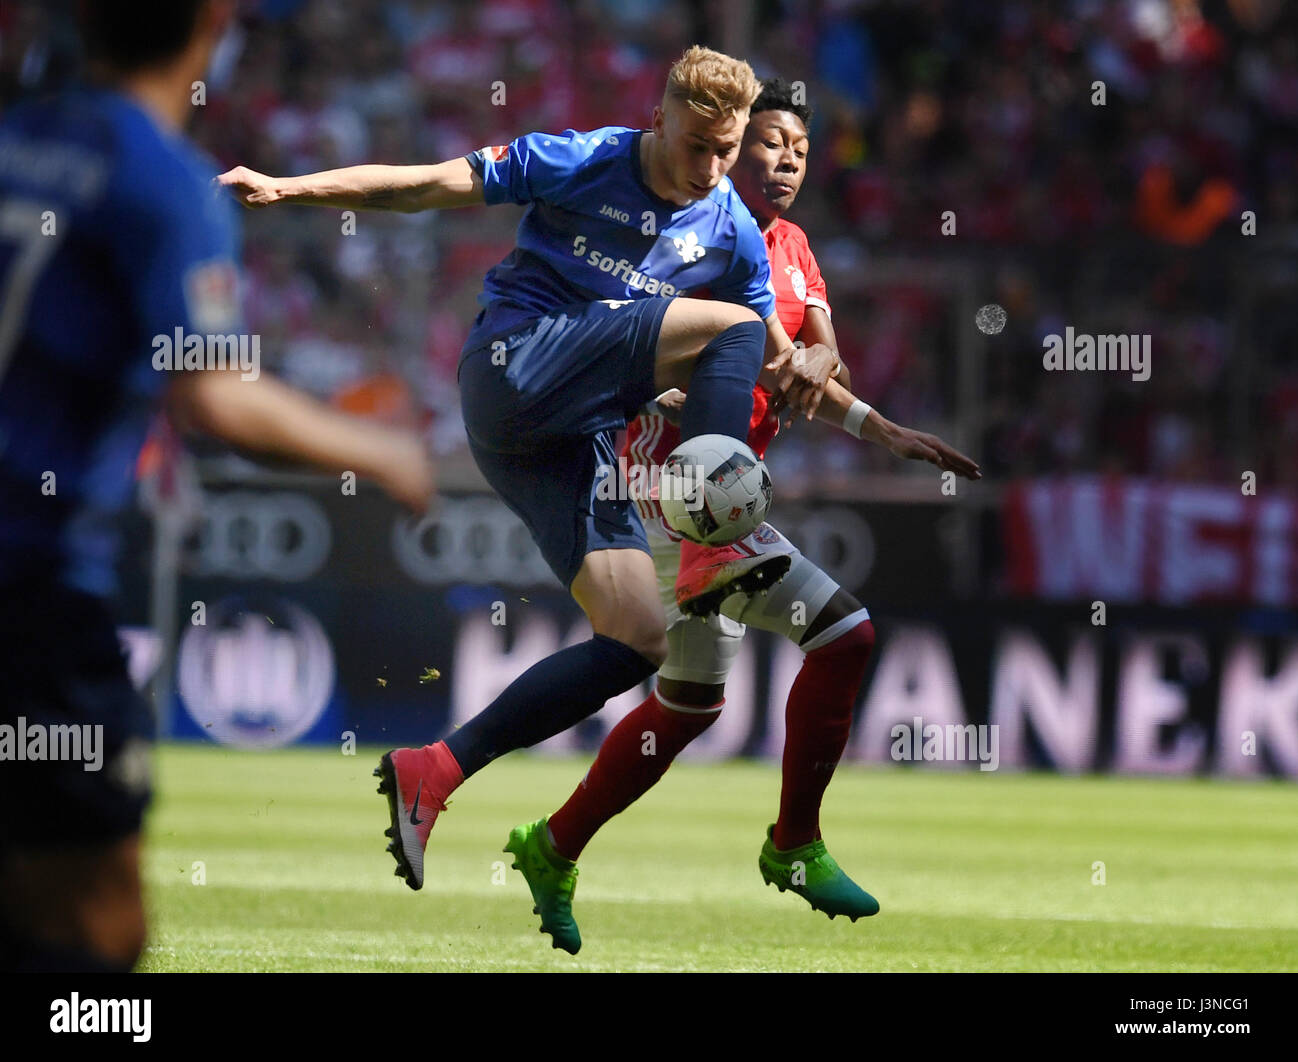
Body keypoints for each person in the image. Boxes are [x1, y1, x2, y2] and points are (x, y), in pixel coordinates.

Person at [219, 46, 855, 893]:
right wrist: (289, 189)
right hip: (513, 367)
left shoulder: (730, 229)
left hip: (553, 441)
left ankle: (435, 771)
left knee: (638, 638)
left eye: (726, 152)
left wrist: (836, 384)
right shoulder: (583, 159)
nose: (712, 169)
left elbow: (779, 355)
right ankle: (710, 544)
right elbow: (422, 186)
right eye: (698, 145)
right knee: (728, 328)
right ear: (658, 119)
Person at [0, 0, 435, 971]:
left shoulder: (16, 138)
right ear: (212, 24)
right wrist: (378, 450)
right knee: (98, 930)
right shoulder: (164, 182)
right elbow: (215, 397)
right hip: (30, 594)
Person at [504, 79, 981, 953]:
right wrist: (659, 380)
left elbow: (807, 364)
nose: (787, 156)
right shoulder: (686, 233)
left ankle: (552, 844)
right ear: (723, 147)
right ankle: (794, 843)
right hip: (664, 492)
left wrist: (885, 429)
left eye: (799, 144)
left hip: (714, 493)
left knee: (686, 707)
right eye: (767, 141)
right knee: (847, 635)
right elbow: (616, 332)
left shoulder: (793, 249)